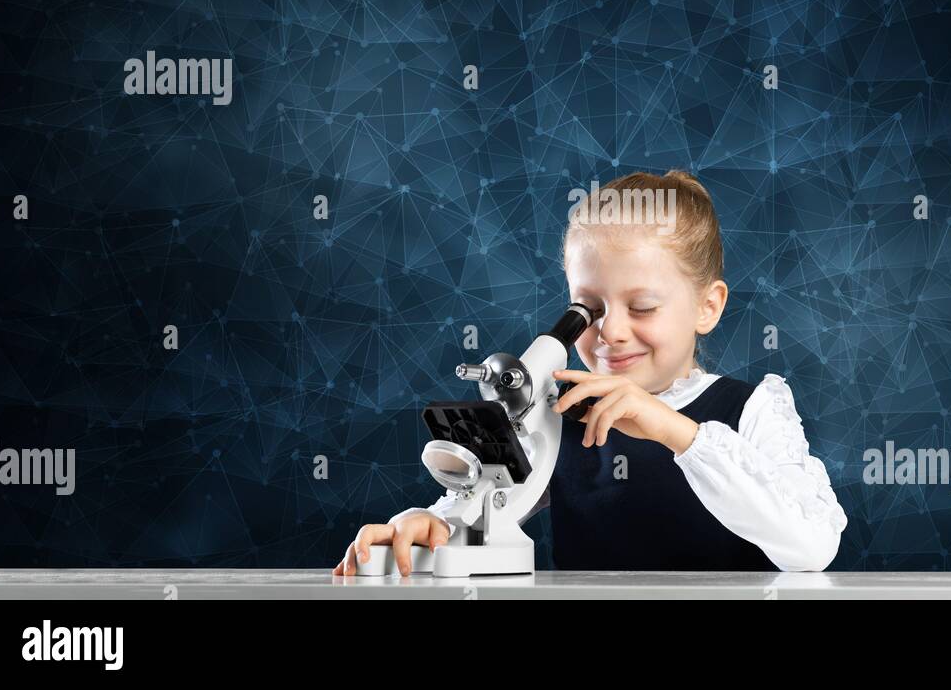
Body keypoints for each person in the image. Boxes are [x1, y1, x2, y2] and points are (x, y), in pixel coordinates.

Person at [333, 170, 846, 574]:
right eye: (589, 309)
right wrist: (433, 526)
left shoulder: (752, 410)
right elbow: (486, 507)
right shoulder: (558, 418)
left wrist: (675, 432)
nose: (611, 333)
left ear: (707, 307)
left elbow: (811, 547)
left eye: (642, 306)